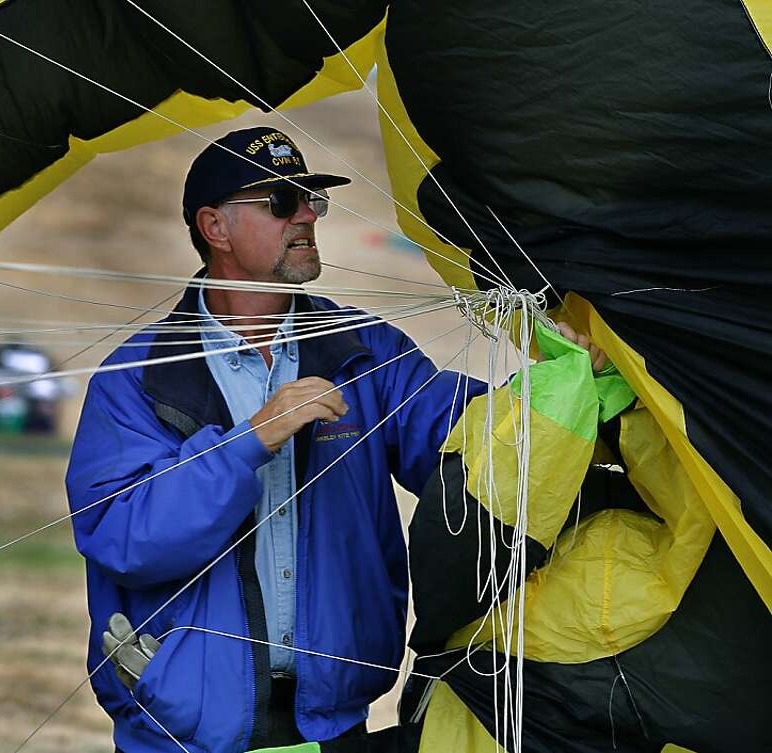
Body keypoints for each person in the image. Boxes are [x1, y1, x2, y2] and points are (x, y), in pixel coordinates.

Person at [65, 126, 599, 753]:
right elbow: (126, 538)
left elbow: (467, 443)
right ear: (215, 227)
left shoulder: (366, 352)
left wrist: (563, 381)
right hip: (182, 735)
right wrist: (250, 442)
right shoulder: (139, 379)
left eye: (312, 200)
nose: (307, 217)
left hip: (336, 726)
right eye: (282, 202)